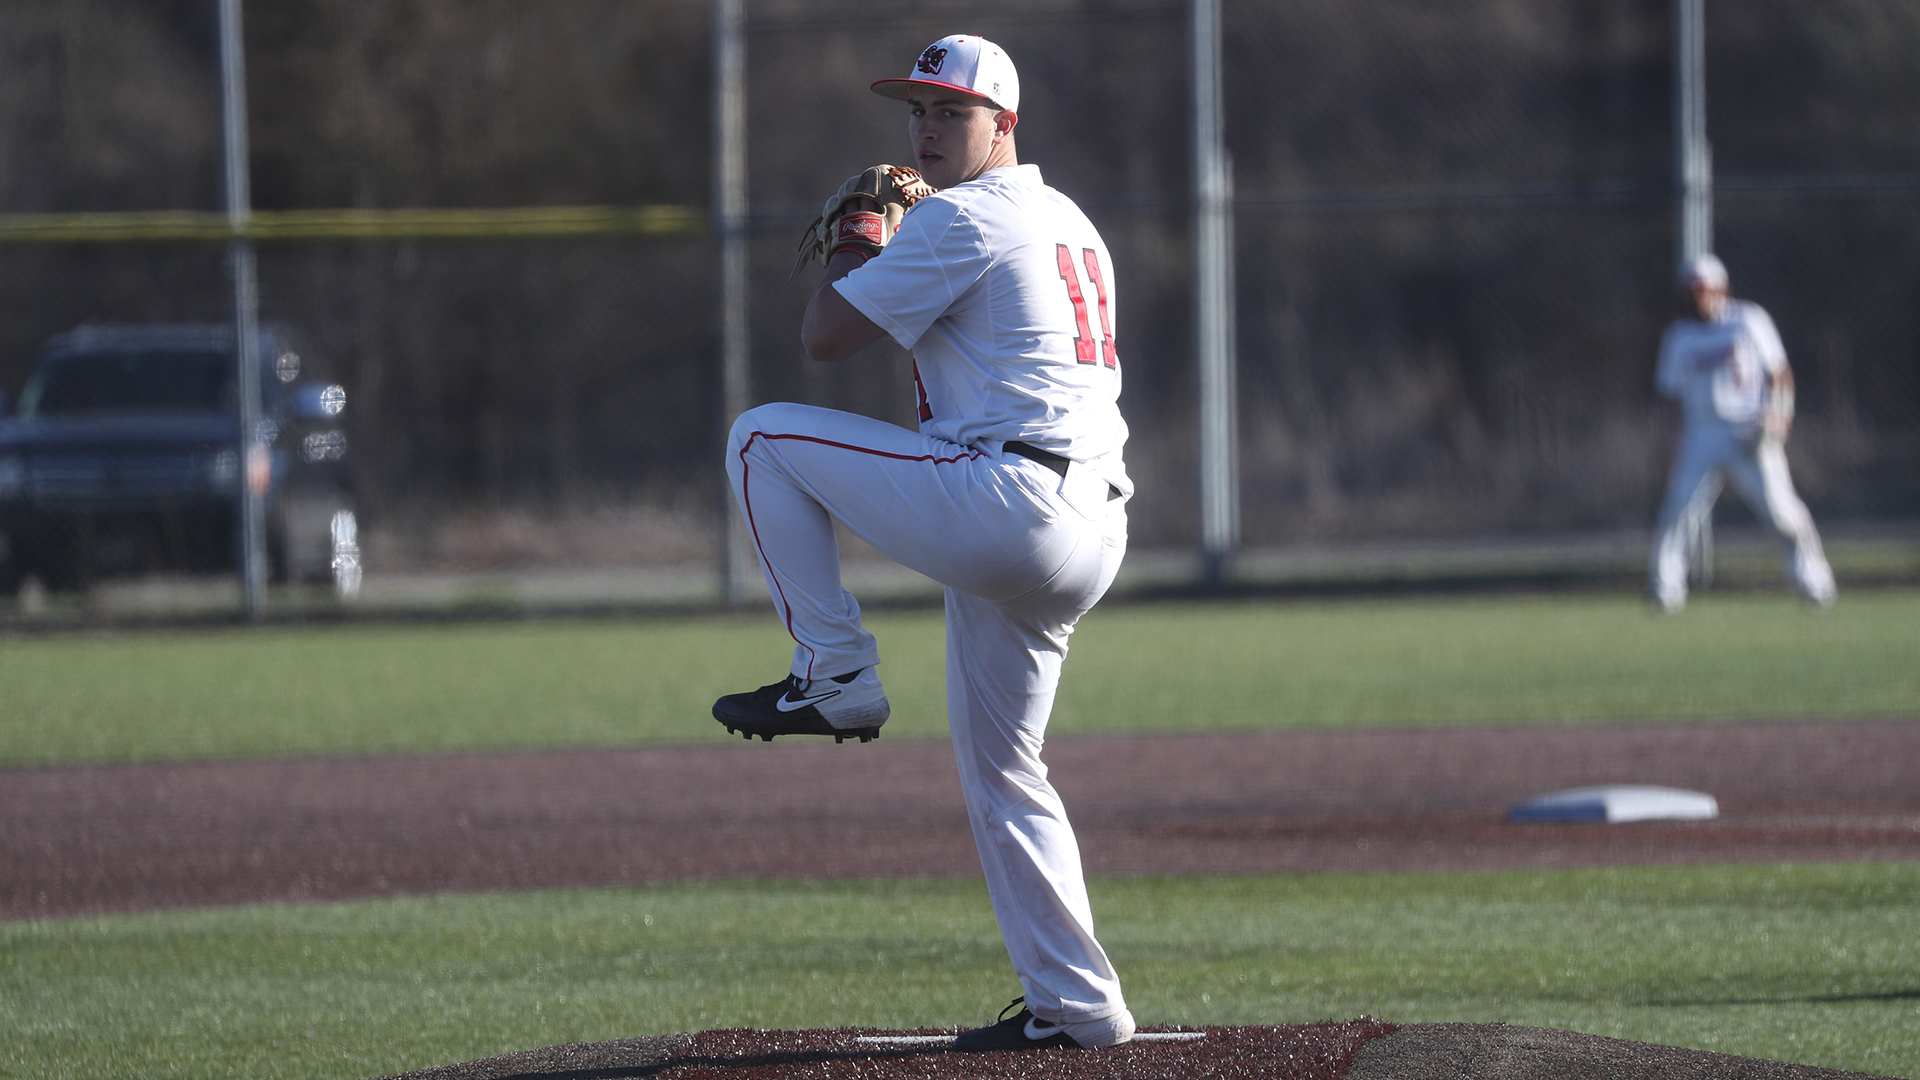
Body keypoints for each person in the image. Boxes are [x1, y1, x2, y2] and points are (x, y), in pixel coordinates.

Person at [710, 35, 1137, 1051]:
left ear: (1005, 125)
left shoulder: (967, 219)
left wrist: (865, 229)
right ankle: (1079, 1006)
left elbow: (824, 334)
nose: (927, 129)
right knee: (1005, 771)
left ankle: (836, 670)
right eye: (917, 110)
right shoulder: (1067, 218)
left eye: (952, 112)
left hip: (1012, 499)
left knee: (761, 436)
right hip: (1089, 522)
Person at [1648, 253, 1835, 613]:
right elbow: (1669, 397)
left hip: (1747, 427)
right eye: (1691, 291)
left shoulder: (1747, 320)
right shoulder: (1678, 336)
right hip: (1701, 430)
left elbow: (1779, 371)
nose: (1697, 297)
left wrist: (1779, 414)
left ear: (1720, 288)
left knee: (1780, 509)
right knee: (1677, 510)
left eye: (1702, 289)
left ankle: (1813, 578)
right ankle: (1665, 588)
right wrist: (1664, 441)